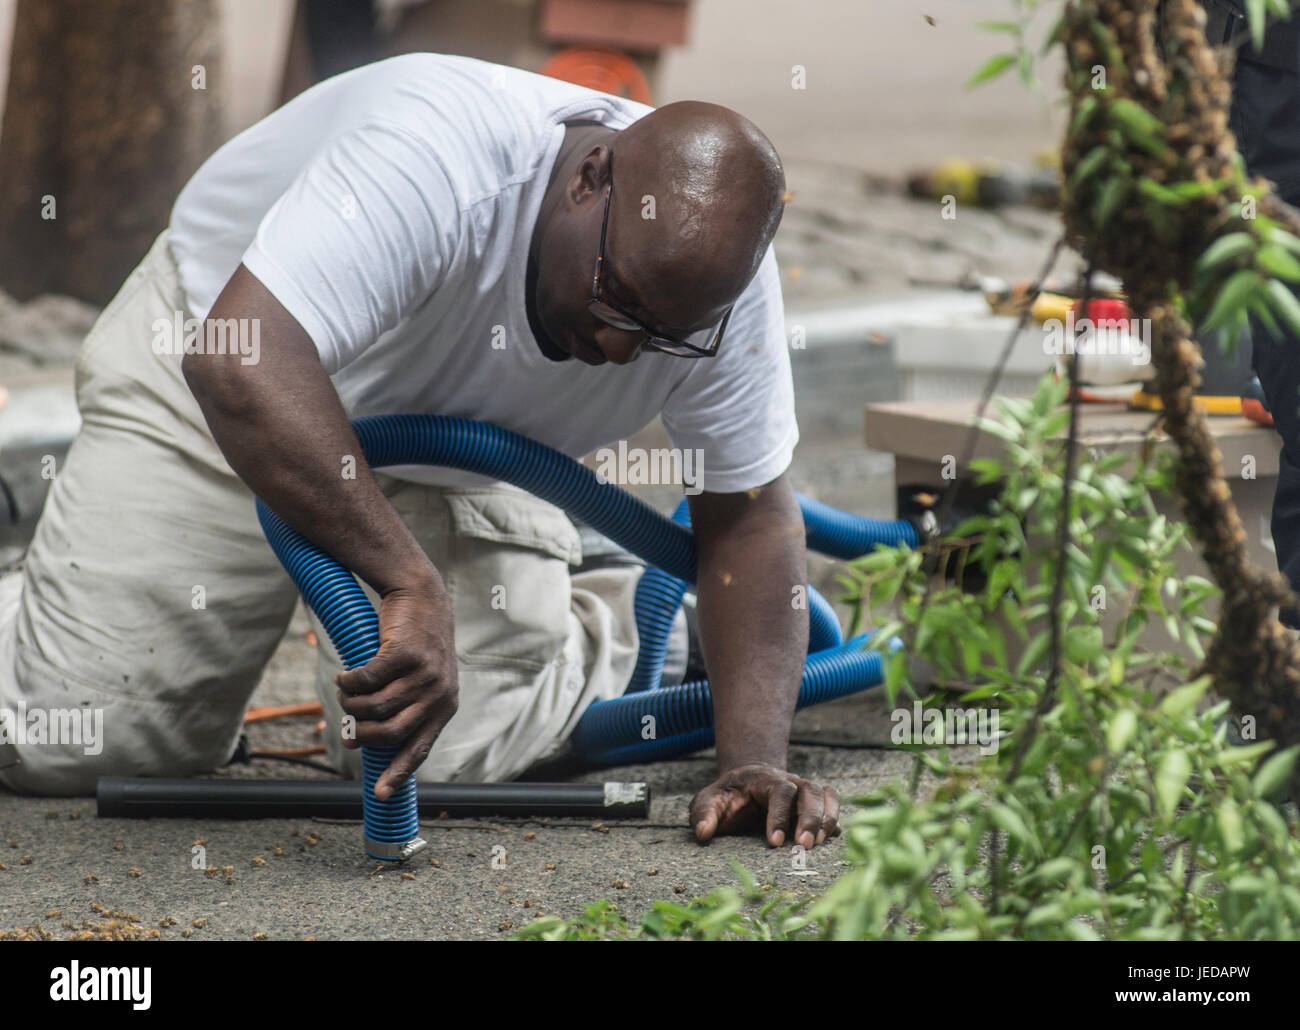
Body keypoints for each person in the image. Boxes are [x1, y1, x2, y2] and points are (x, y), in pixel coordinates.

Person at [0, 54, 840, 852]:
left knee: (434, 745)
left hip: (466, 453)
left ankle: (652, 637)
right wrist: (410, 582)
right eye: (615, 300)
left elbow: (753, 520)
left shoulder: (714, 294)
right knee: (79, 737)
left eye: (662, 337)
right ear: (587, 179)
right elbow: (237, 355)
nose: (623, 351)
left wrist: (753, 758)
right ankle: (33, 603)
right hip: (223, 378)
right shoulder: (436, 151)